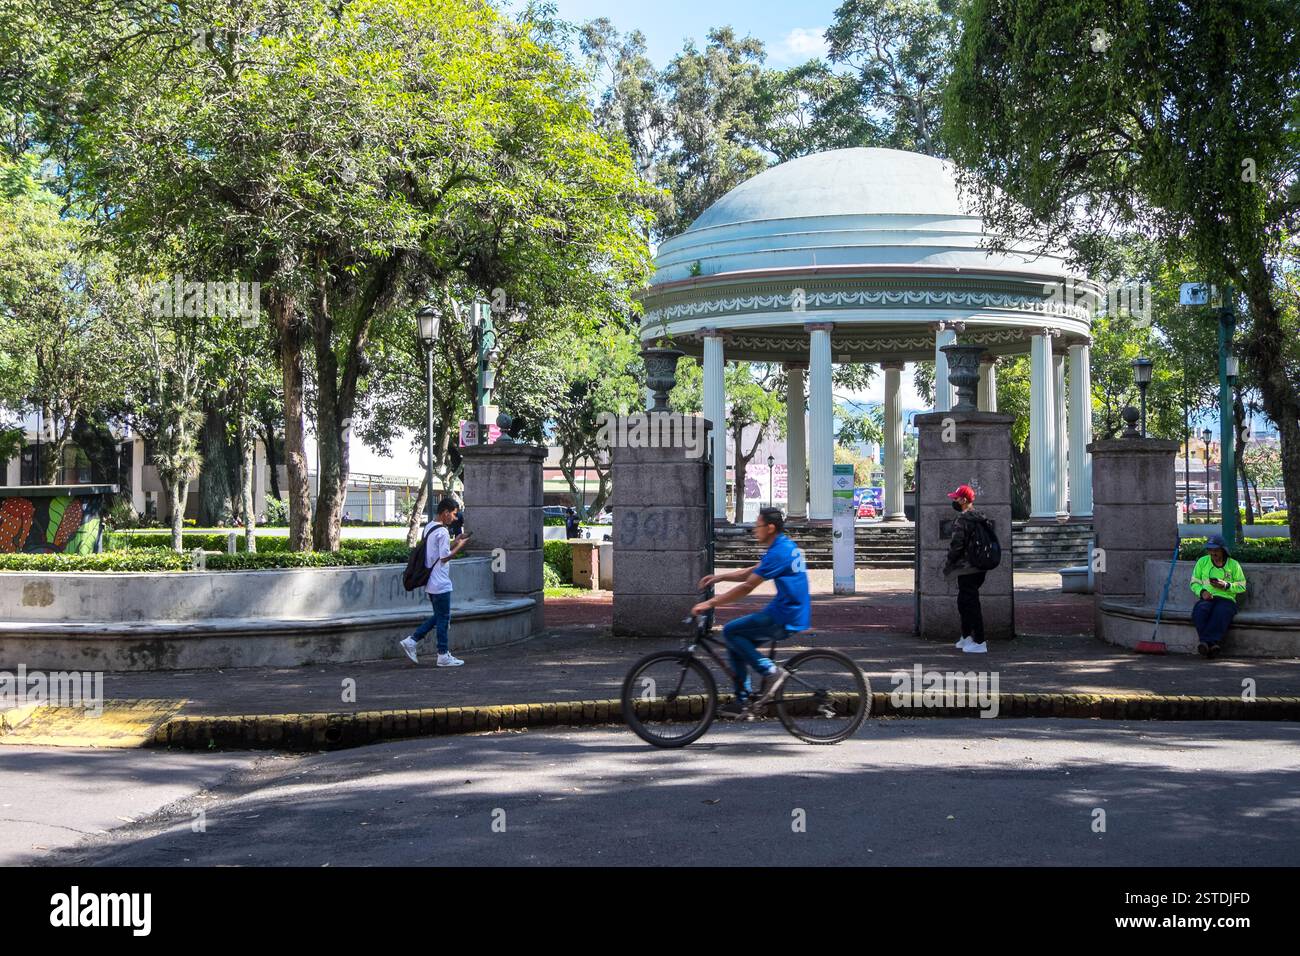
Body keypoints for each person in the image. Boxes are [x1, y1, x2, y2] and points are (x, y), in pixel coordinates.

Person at [693, 507, 809, 717]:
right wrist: (720, 577)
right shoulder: (782, 546)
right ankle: (743, 701)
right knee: (736, 642)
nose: (755, 530)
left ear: (770, 528)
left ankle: (771, 672)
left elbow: (748, 586)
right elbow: (751, 571)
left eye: (758, 526)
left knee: (731, 631)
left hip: (785, 615)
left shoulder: (778, 552)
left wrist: (711, 603)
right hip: (789, 610)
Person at [398, 497, 470, 666]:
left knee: (440, 616)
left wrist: (455, 541)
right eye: (453, 514)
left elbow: (437, 552)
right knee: (443, 619)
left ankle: (413, 641)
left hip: (431, 582)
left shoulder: (430, 527)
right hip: (440, 582)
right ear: (445, 513)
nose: (455, 518)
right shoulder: (442, 531)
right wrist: (461, 545)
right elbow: (444, 557)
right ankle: (442, 654)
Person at [943, 484, 991, 654]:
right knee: (965, 601)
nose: (954, 501)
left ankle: (979, 641)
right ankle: (966, 636)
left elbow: (957, 545)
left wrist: (949, 563)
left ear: (964, 500)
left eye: (956, 498)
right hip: (979, 567)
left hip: (966, 568)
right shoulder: (981, 517)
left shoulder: (963, 519)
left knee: (969, 604)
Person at [1190, 534, 1247, 659]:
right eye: (1210, 550)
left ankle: (1206, 643)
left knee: (1221, 612)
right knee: (1200, 610)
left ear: (1223, 550)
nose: (1213, 553)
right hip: (1207, 597)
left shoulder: (1234, 565)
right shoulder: (1202, 562)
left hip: (1227, 599)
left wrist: (1226, 585)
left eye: (1216, 550)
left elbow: (1242, 586)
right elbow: (1194, 583)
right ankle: (1212, 644)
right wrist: (1202, 592)